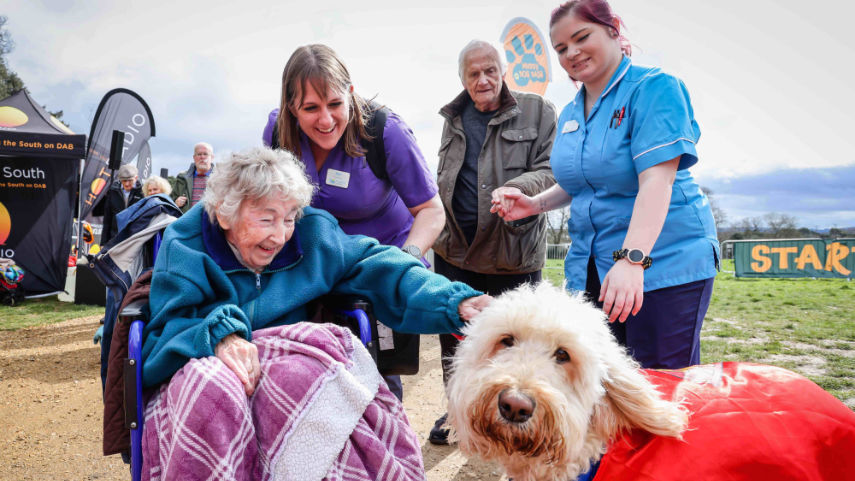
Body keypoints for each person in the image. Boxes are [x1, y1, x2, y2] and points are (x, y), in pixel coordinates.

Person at [140, 147, 490, 479]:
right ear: (224, 214)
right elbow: (166, 330)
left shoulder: (313, 234)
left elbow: (381, 266)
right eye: (266, 219)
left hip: (288, 378)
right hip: (211, 374)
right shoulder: (185, 244)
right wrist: (218, 334)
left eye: (289, 218)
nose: (279, 236)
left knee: (311, 386)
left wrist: (454, 301)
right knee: (211, 385)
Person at [493, 0, 719, 372]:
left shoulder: (655, 88)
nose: (572, 53)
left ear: (613, 29)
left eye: (582, 37)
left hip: (659, 262)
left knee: (657, 389)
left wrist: (632, 261)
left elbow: (655, 181)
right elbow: (581, 184)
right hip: (594, 269)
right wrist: (533, 204)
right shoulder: (569, 113)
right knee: (602, 389)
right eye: (561, 48)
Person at [263, 43, 445, 401]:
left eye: (334, 104)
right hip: (312, 268)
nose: (326, 120)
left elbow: (430, 210)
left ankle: (387, 446)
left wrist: (404, 260)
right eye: (310, 108)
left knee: (376, 374)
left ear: (349, 93)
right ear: (290, 108)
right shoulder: (277, 133)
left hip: (376, 264)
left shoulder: (384, 131)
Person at [428, 39, 557, 445]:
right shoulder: (452, 118)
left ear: (503, 71)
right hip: (455, 254)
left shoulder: (538, 111)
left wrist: (517, 187)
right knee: (456, 345)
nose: (483, 79)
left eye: (490, 70)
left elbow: (552, 171)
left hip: (512, 255)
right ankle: (457, 412)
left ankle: (518, 422)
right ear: (462, 78)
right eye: (473, 73)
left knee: (518, 348)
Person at [99, 163, 143, 245]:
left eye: (130, 180)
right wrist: (103, 243)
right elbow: (107, 218)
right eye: (124, 180)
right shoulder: (113, 191)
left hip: (134, 239)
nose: (126, 184)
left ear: (136, 178)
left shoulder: (142, 192)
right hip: (115, 238)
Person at [171, 142, 214, 213]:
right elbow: (170, 201)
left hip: (212, 222)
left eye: (205, 154)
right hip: (187, 222)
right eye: (199, 154)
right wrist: (176, 203)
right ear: (194, 157)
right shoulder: (182, 179)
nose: (202, 157)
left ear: (212, 157)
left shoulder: (221, 179)